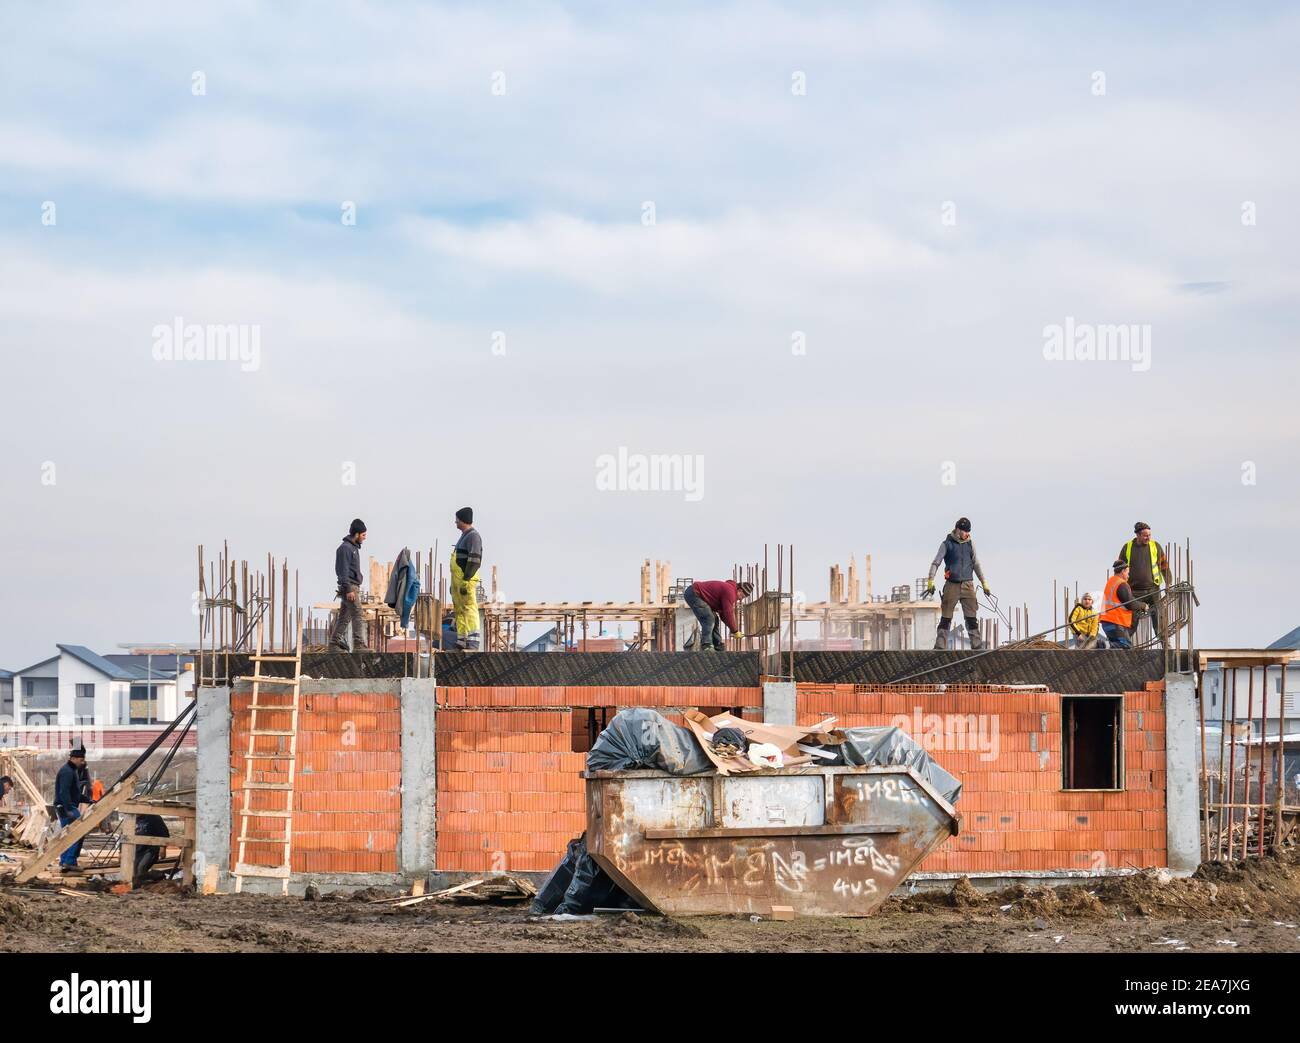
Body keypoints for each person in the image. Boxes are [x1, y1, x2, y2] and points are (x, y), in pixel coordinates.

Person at [922, 517, 991, 650]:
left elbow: (976, 564)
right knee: (946, 617)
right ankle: (940, 646)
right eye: (964, 531)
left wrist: (984, 583)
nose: (966, 534)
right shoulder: (947, 544)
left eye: (968, 531)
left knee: (971, 617)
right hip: (951, 585)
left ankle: (976, 646)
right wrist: (930, 580)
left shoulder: (970, 544)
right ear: (958, 529)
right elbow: (936, 562)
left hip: (968, 585)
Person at [1117, 522, 1171, 646]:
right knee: (1132, 620)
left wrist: (1168, 582)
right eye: (1145, 535)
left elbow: (1164, 566)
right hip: (1134, 591)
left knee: (1158, 618)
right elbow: (1119, 568)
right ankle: (1124, 645)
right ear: (1138, 535)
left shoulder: (1155, 546)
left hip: (1153, 590)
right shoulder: (1127, 547)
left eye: (1150, 535)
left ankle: (1165, 643)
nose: (1148, 538)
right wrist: (1120, 586)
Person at [330, 518, 369, 652]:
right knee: (358, 614)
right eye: (363, 535)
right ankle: (359, 645)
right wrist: (348, 589)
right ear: (357, 534)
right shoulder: (345, 549)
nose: (365, 538)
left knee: (344, 617)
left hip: (352, 587)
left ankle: (334, 644)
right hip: (349, 587)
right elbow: (342, 571)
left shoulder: (353, 548)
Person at [682, 579, 752, 651]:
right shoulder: (730, 592)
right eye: (742, 596)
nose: (740, 599)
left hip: (697, 594)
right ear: (739, 590)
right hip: (694, 594)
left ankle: (717, 644)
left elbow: (723, 615)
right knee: (709, 618)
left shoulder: (729, 591)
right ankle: (707, 644)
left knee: (715, 619)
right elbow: (728, 613)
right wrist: (735, 630)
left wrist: (733, 630)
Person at [54, 745, 91, 874]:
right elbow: (63, 792)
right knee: (77, 833)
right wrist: (69, 809)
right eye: (81, 760)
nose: (83, 762)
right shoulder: (67, 772)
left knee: (68, 835)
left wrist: (88, 800)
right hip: (66, 807)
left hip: (67, 806)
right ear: (74, 758)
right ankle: (69, 862)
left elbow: (74, 793)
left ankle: (65, 861)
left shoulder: (71, 771)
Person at [451, 507, 484, 651]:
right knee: (459, 610)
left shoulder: (473, 536)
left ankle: (473, 642)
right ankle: (462, 640)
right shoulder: (464, 536)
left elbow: (474, 560)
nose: (455, 522)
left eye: (457, 519)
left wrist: (466, 579)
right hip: (458, 581)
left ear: (463, 520)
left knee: (469, 608)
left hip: (466, 579)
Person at [1100, 560, 1135, 649]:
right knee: (1126, 646)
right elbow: (1130, 604)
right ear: (1123, 571)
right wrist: (1143, 606)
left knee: (1115, 649)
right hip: (1115, 621)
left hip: (1106, 622)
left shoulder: (1111, 581)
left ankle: (1104, 646)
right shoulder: (1121, 584)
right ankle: (1100, 644)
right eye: (1128, 572)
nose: (1128, 575)